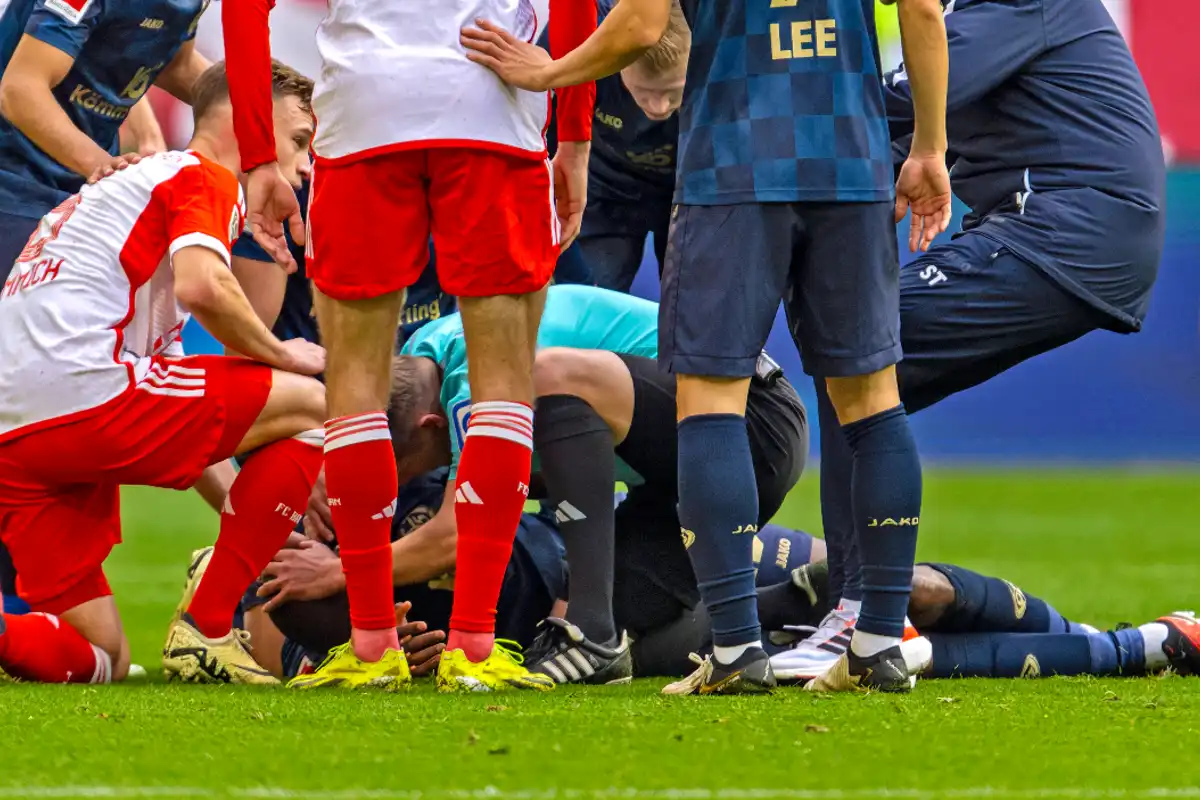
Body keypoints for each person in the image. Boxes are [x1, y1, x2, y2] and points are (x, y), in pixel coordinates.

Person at [463, 0, 952, 694]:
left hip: (733, 162)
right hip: (850, 157)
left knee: (710, 400)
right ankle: (877, 641)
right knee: (873, 400)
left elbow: (639, 23)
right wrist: (929, 148)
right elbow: (925, 12)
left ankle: (734, 651)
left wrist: (549, 74)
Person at [770, 0, 1167, 683]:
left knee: (859, 346)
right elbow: (916, 124)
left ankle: (865, 612)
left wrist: (757, 118)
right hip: (1066, 231)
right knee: (858, 366)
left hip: (1069, 230)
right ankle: (862, 612)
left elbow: (906, 98)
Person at [219, 0, 598, 693]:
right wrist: (573, 137)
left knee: (357, 389)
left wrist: (256, 156)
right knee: (503, 387)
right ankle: (476, 650)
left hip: (366, 109)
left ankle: (370, 647)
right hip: (492, 101)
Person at [0, 60, 326, 686]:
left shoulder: (120, 192)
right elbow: (206, 286)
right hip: (85, 395)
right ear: (248, 122)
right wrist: (283, 355)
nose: (306, 165)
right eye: (298, 141)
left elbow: (178, 405)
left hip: (18, 436)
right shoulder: (201, 174)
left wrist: (251, 519)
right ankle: (205, 631)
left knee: (101, 660)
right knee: (310, 401)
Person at [0, 0, 213, 618]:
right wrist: (105, 168)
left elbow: (170, 62)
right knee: (40, 394)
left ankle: (35, 606)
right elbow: (18, 88)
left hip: (63, 195)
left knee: (62, 393)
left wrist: (270, 100)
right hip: (13, 187)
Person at [522, 343, 807, 684]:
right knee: (629, 615)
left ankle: (859, 589)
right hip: (671, 464)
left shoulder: (483, 356)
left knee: (593, 628)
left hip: (747, 414)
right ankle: (810, 595)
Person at [556, 0, 688, 292]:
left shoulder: (718, 48)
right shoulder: (582, 46)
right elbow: (550, 138)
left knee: (692, 309)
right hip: (605, 193)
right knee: (591, 305)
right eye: (645, 91)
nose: (659, 107)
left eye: (672, 91)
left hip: (688, 192)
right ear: (617, 65)